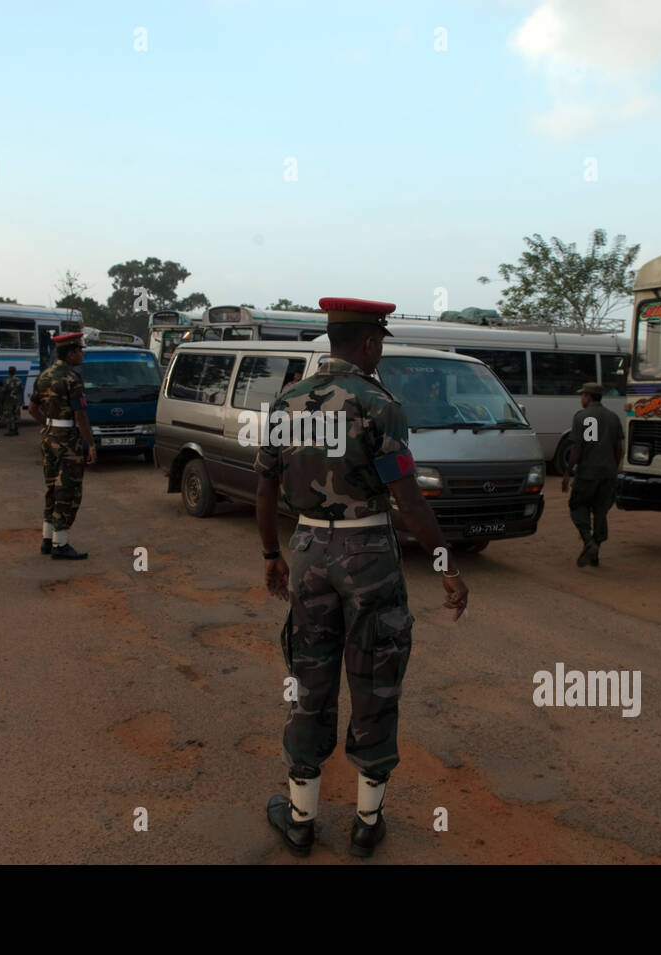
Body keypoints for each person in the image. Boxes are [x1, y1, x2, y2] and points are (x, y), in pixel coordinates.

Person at [255, 296, 469, 859]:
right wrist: (446, 565)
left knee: (310, 679)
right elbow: (408, 498)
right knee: (375, 675)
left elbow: (265, 486)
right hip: (368, 552)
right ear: (370, 343)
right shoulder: (380, 405)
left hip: (306, 552)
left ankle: (300, 820)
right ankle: (366, 824)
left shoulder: (286, 402)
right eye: (380, 344)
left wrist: (272, 555)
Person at [28, 332, 97, 559]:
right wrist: (90, 443)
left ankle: (47, 540)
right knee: (68, 491)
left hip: (48, 438)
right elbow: (80, 416)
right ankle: (61, 545)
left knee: (52, 489)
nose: (82, 354)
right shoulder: (72, 379)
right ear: (70, 354)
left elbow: (32, 409)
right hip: (67, 442)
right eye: (79, 350)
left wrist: (48, 425)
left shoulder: (44, 376)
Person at [562, 382, 624, 567]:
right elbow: (618, 448)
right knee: (600, 511)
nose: (581, 399)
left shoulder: (582, 416)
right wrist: (613, 469)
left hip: (587, 473)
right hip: (608, 473)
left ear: (588, 397)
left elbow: (578, 448)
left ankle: (588, 541)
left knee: (577, 506)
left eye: (583, 395)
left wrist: (568, 472)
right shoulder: (613, 417)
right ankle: (595, 551)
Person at [0, 366, 23, 436]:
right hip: (16, 400)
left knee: (9, 415)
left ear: (9, 372)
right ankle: (16, 429)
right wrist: (21, 400)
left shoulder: (7, 380)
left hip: (9, 400)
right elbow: (21, 390)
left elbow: (3, 391)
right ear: (15, 371)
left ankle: (11, 430)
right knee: (16, 414)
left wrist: (1, 401)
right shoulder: (18, 380)